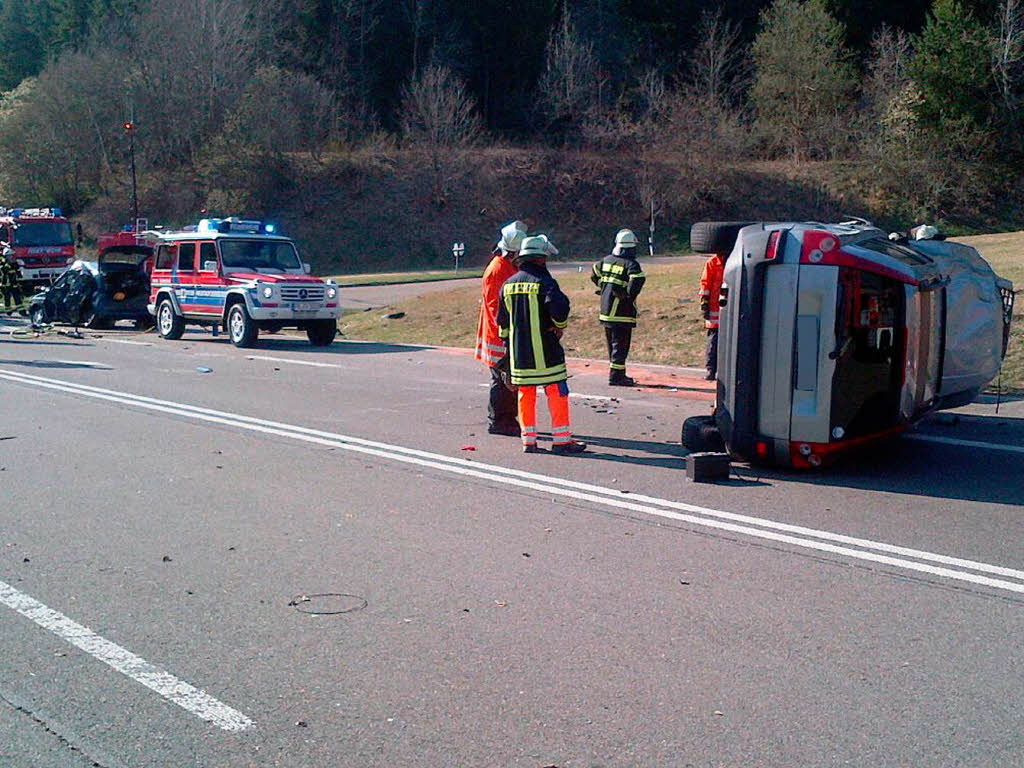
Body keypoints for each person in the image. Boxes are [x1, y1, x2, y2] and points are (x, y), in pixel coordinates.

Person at [497, 235, 586, 455]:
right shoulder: (545, 282)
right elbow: (559, 308)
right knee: (557, 392)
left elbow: (502, 324)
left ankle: (529, 441)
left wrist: (509, 352)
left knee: (525, 394)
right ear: (541, 259)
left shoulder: (507, 286)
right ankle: (562, 441)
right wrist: (559, 326)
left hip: (520, 357)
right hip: (547, 353)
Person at [475, 220, 526, 435]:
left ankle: (508, 418)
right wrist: (508, 335)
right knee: (501, 380)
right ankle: (499, 420)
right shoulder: (497, 270)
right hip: (498, 337)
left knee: (509, 380)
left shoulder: (507, 267)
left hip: (504, 335)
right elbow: (497, 309)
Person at [591, 228, 645, 386]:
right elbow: (638, 279)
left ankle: (616, 372)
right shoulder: (631, 264)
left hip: (605, 311)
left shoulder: (606, 260)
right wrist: (628, 295)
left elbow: (594, 273)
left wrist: (604, 286)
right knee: (621, 345)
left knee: (612, 345)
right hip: (621, 312)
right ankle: (617, 376)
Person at [699, 247, 727, 380]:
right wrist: (705, 304)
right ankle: (711, 370)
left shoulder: (732, 261)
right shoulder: (712, 263)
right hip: (715, 310)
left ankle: (722, 370)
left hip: (728, 309)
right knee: (714, 342)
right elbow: (705, 285)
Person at [0, 248, 23, 315]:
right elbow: (3, 273)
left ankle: (22, 312)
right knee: (7, 299)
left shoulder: (15, 264)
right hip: (6, 285)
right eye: (9, 255)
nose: (11, 257)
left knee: (18, 299)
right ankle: (8, 312)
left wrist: (20, 282)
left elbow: (19, 274)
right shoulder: (3, 264)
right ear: (6, 256)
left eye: (12, 255)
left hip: (14, 284)